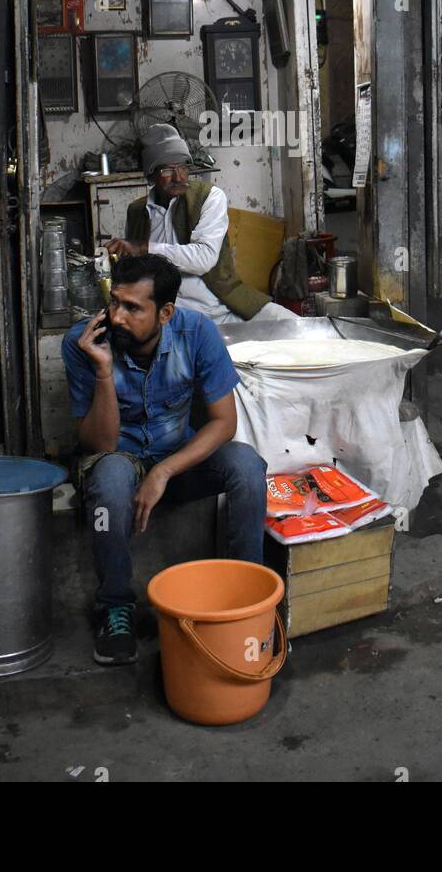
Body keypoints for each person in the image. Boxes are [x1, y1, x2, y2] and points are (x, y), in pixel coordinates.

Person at [62, 251, 267, 667]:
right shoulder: (82, 342)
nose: (117, 317)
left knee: (247, 465)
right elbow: (100, 442)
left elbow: (223, 423)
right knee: (114, 477)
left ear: (166, 312)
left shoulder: (197, 333)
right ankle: (115, 607)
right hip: (115, 457)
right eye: (114, 302)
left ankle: (248, 597)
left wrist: (164, 470)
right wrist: (103, 371)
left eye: (133, 307)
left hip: (173, 459)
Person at [104, 122, 297, 325]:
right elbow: (134, 271)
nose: (179, 177)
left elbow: (204, 258)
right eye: (167, 170)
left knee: (293, 325)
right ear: (151, 175)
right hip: (173, 314)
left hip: (223, 304)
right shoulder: (137, 211)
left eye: (184, 167)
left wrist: (143, 248)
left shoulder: (209, 197)